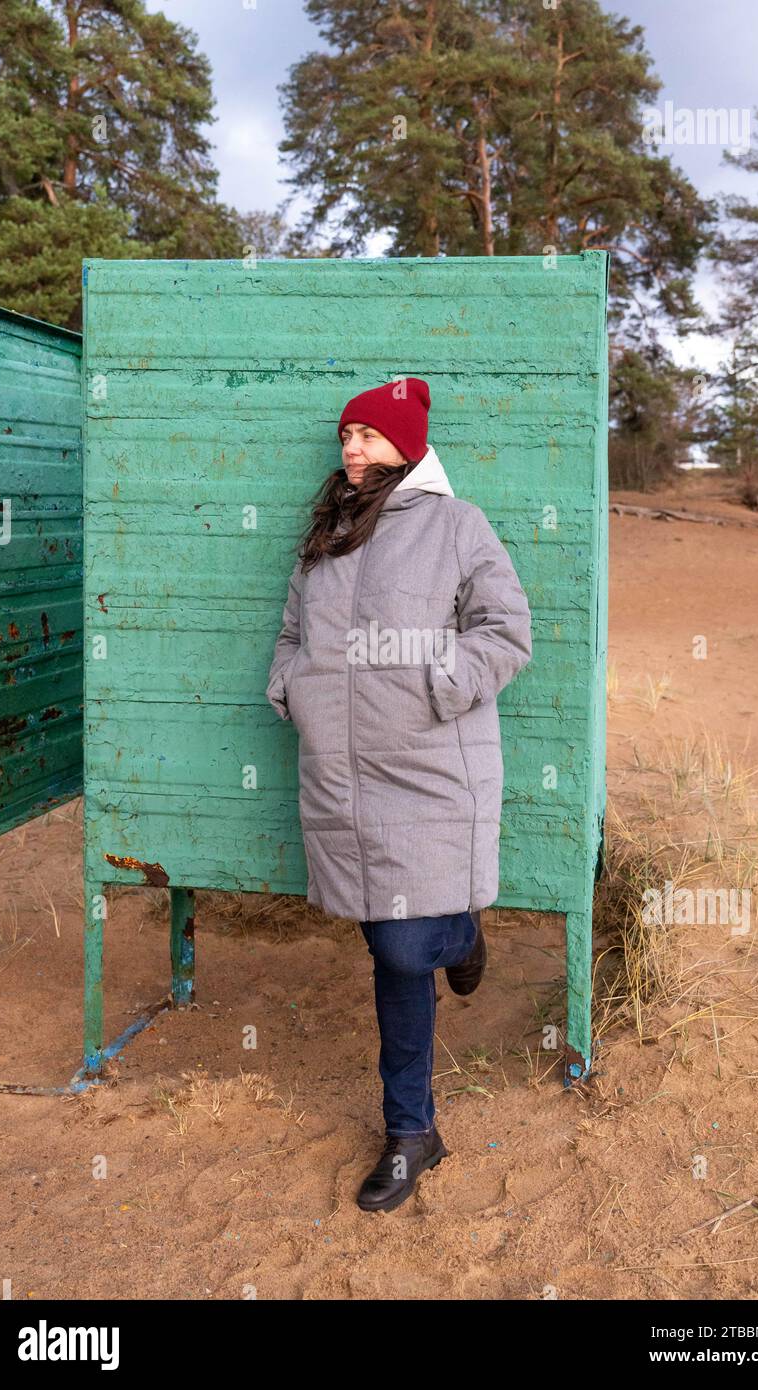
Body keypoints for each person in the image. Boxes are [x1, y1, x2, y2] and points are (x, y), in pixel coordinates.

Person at [266, 377, 532, 1214]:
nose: (352, 449)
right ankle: (413, 1131)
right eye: (346, 435)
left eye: (370, 437)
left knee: (404, 949)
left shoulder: (458, 526)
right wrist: (293, 687)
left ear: (408, 447)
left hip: (427, 767)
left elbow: (506, 630)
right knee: (388, 946)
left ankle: (457, 936)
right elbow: (292, 634)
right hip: (341, 772)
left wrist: (434, 684)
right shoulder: (328, 533)